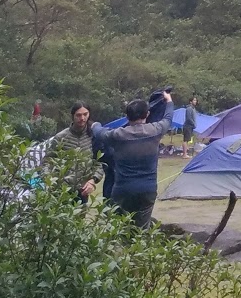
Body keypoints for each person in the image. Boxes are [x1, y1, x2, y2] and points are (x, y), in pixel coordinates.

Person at [92, 89, 173, 228]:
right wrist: (169, 101)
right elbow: (168, 118)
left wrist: (95, 124)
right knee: (141, 230)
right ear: (147, 114)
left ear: (127, 117)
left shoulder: (117, 135)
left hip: (123, 189)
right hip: (147, 189)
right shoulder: (155, 130)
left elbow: (99, 132)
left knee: (120, 228)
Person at [50, 102, 101, 203]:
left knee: (80, 218)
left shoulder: (94, 136)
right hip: (61, 191)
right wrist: (51, 182)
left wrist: (93, 180)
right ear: (72, 116)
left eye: (85, 114)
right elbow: (48, 161)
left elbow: (100, 161)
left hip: (82, 191)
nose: (82, 118)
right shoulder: (61, 137)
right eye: (78, 115)